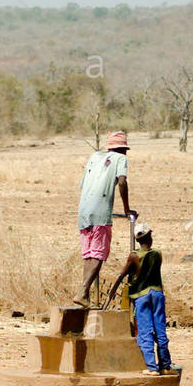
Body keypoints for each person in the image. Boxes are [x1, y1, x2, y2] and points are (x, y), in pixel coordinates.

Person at [74, 131, 136, 308]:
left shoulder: (94, 156)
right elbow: (122, 182)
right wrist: (126, 209)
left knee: (88, 254)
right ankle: (83, 291)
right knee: (99, 253)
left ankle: (83, 294)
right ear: (123, 149)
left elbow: (84, 184)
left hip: (84, 210)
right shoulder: (120, 159)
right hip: (101, 211)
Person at [109, 223, 175, 375]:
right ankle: (165, 365)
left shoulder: (134, 256)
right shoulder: (158, 254)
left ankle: (151, 367)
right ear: (150, 237)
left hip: (142, 296)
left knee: (145, 331)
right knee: (160, 330)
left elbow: (122, 274)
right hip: (157, 294)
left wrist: (113, 291)